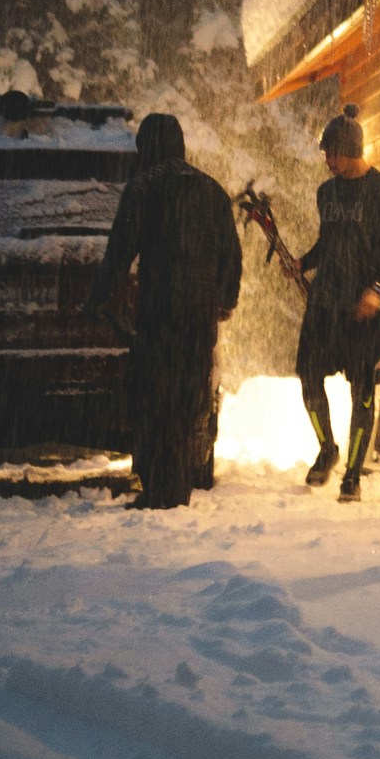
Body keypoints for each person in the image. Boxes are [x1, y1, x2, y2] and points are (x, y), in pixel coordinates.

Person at [92, 115, 244, 512]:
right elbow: (231, 252)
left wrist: (100, 296)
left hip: (159, 311)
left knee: (156, 399)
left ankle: (162, 490)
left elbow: (119, 250)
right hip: (199, 315)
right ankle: (174, 489)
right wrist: (225, 298)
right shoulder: (211, 189)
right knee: (186, 399)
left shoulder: (143, 188)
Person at [298, 109, 380, 496]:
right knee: (308, 376)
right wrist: (303, 263)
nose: (327, 161)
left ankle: (353, 475)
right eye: (325, 153)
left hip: (367, 312)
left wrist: (375, 290)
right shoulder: (327, 192)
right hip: (326, 306)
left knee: (362, 391)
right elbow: (328, 242)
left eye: (332, 153)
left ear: (350, 150)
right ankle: (327, 449)